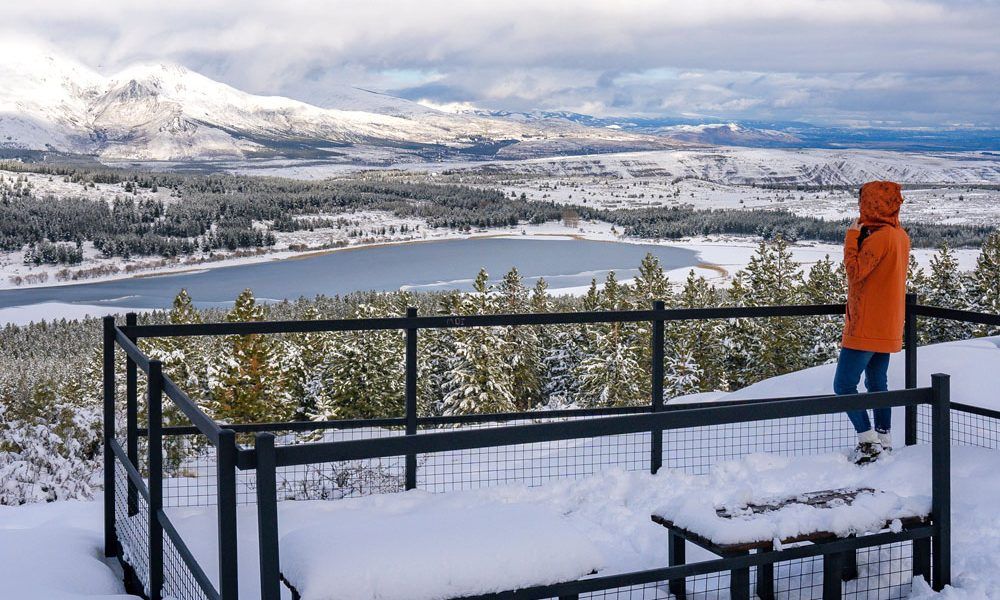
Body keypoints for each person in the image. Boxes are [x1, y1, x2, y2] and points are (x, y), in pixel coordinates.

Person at [834, 181, 911, 464]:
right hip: (888, 323)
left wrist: (852, 237)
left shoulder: (879, 238)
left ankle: (867, 442)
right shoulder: (900, 235)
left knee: (844, 385)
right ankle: (884, 440)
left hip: (866, 325)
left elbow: (855, 272)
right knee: (877, 383)